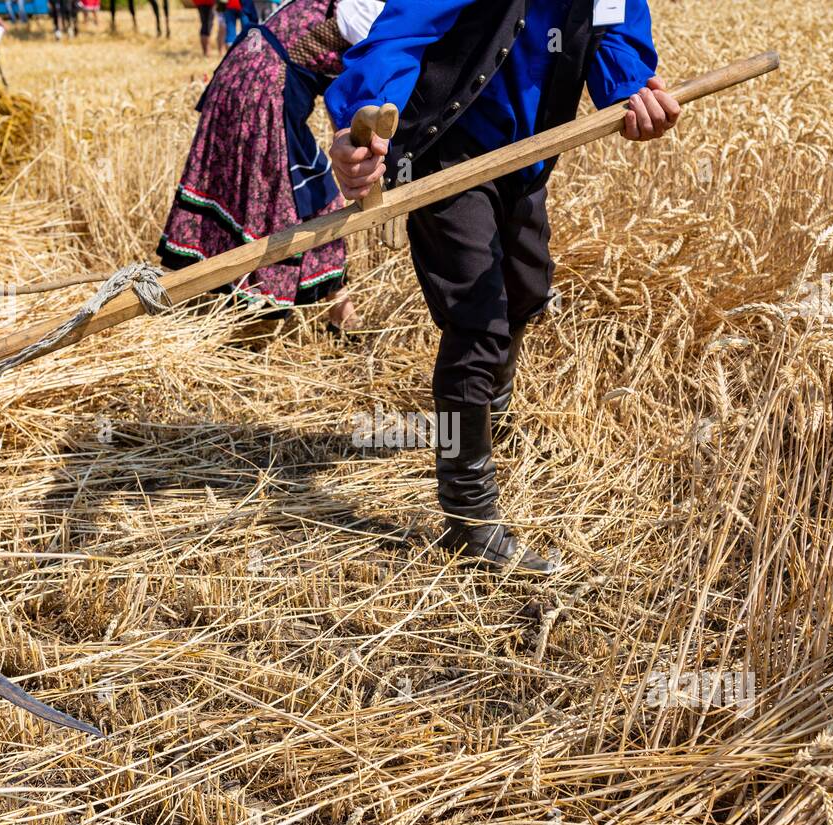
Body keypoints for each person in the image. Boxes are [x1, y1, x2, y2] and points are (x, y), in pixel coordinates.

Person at [325, 0, 681, 572]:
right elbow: (401, 35)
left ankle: (487, 417)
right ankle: (468, 515)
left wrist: (632, 90)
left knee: (526, 291)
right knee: (477, 322)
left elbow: (614, 33)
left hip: (526, 158)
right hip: (448, 154)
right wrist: (360, 121)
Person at [157, 0, 384, 328]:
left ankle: (339, 309)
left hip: (246, 70)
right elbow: (359, 86)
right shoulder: (366, 7)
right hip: (263, 88)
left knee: (305, 190)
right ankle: (268, 307)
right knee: (291, 198)